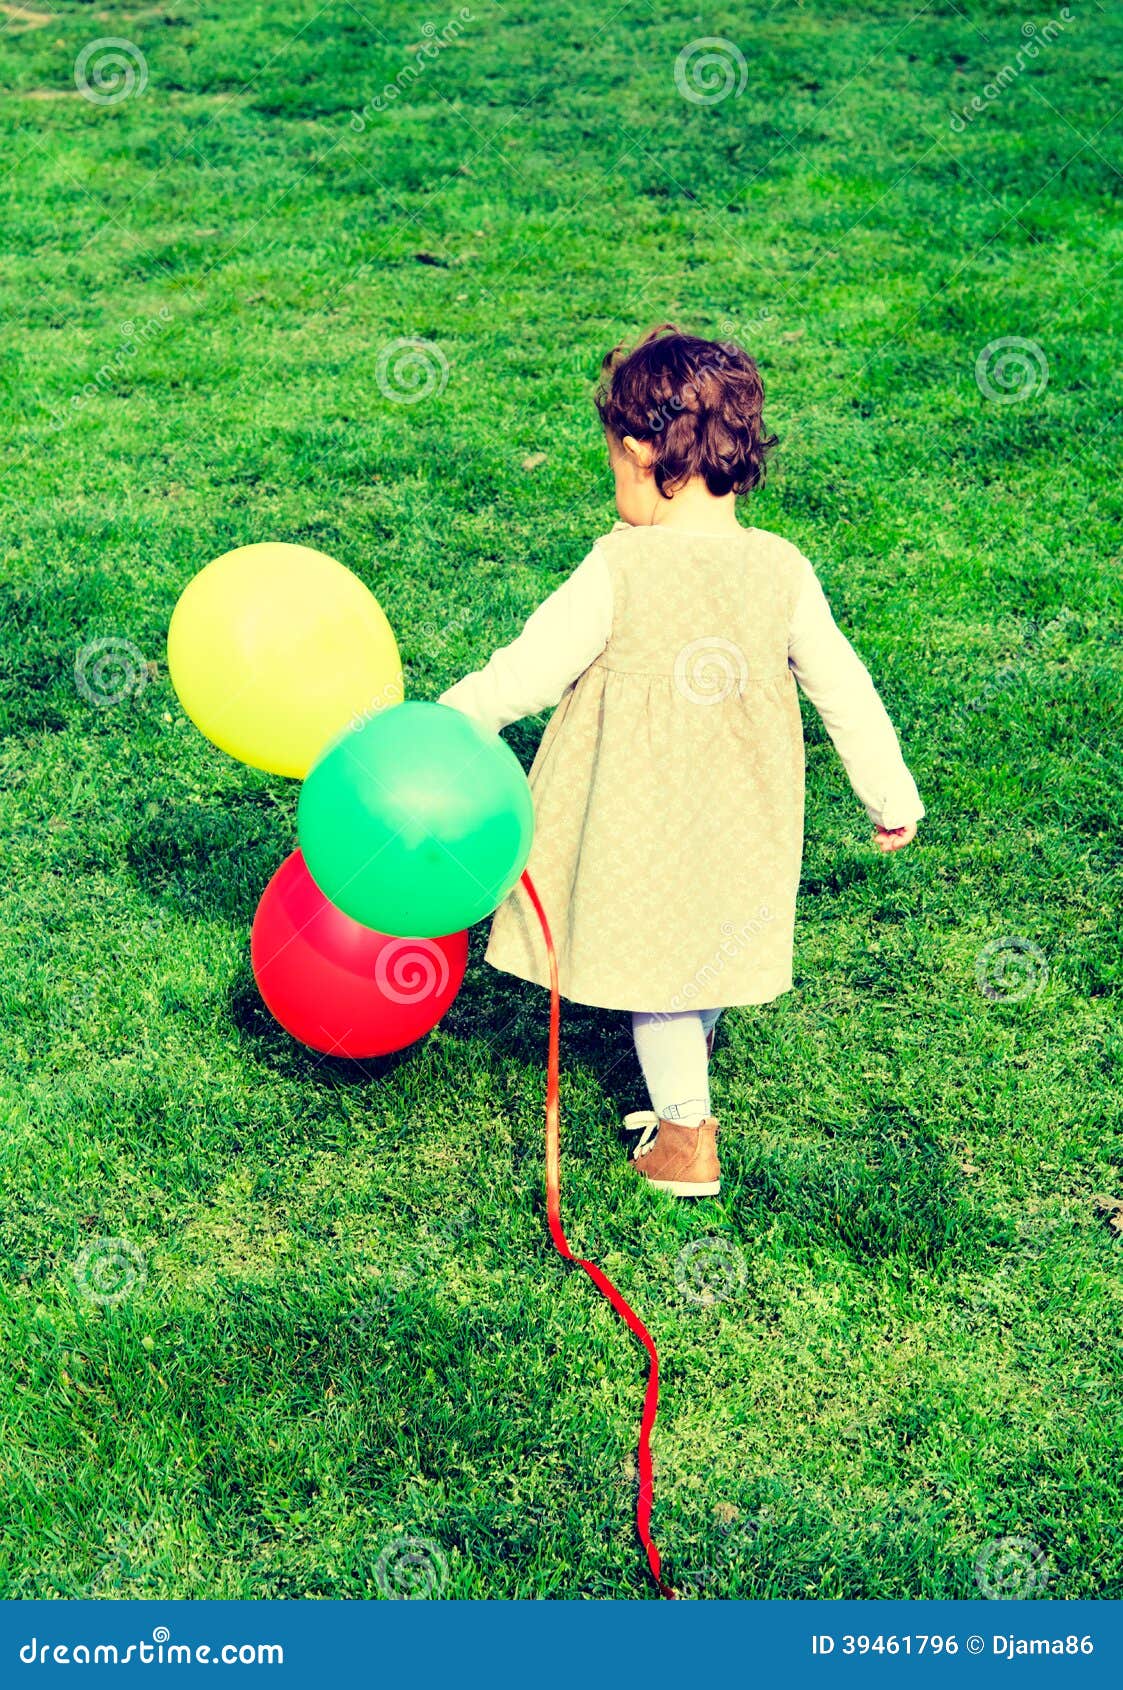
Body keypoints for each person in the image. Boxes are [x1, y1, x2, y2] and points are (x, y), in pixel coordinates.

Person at [440, 326, 924, 1197]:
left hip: (640, 816)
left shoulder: (619, 566)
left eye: (611, 462)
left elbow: (527, 673)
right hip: (745, 812)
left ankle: (684, 1136)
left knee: (659, 971)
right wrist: (889, 794)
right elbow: (842, 686)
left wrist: (442, 722)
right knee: (701, 948)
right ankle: (682, 1089)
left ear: (636, 451)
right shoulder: (780, 568)